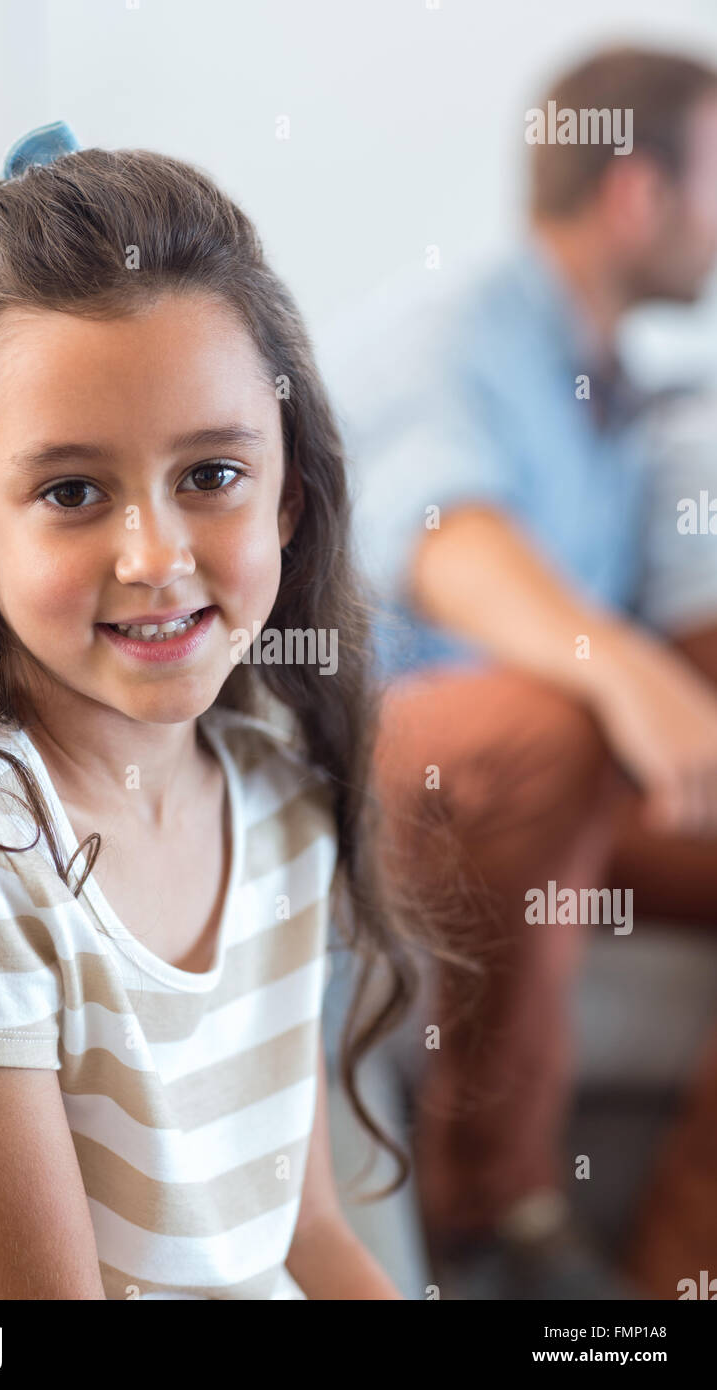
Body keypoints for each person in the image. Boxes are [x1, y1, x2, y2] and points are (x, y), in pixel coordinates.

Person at [0, 120, 435, 1300]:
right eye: (72, 491)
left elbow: (304, 1234)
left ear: (286, 496)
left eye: (210, 476)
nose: (155, 556)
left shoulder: (277, 779)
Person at [329, 46, 717, 1298]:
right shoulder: (463, 323)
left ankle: (667, 1282)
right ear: (635, 193)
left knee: (577, 728)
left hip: (553, 798)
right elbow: (444, 538)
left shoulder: (621, 391)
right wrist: (627, 675)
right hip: (397, 761)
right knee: (562, 713)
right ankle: (489, 1214)